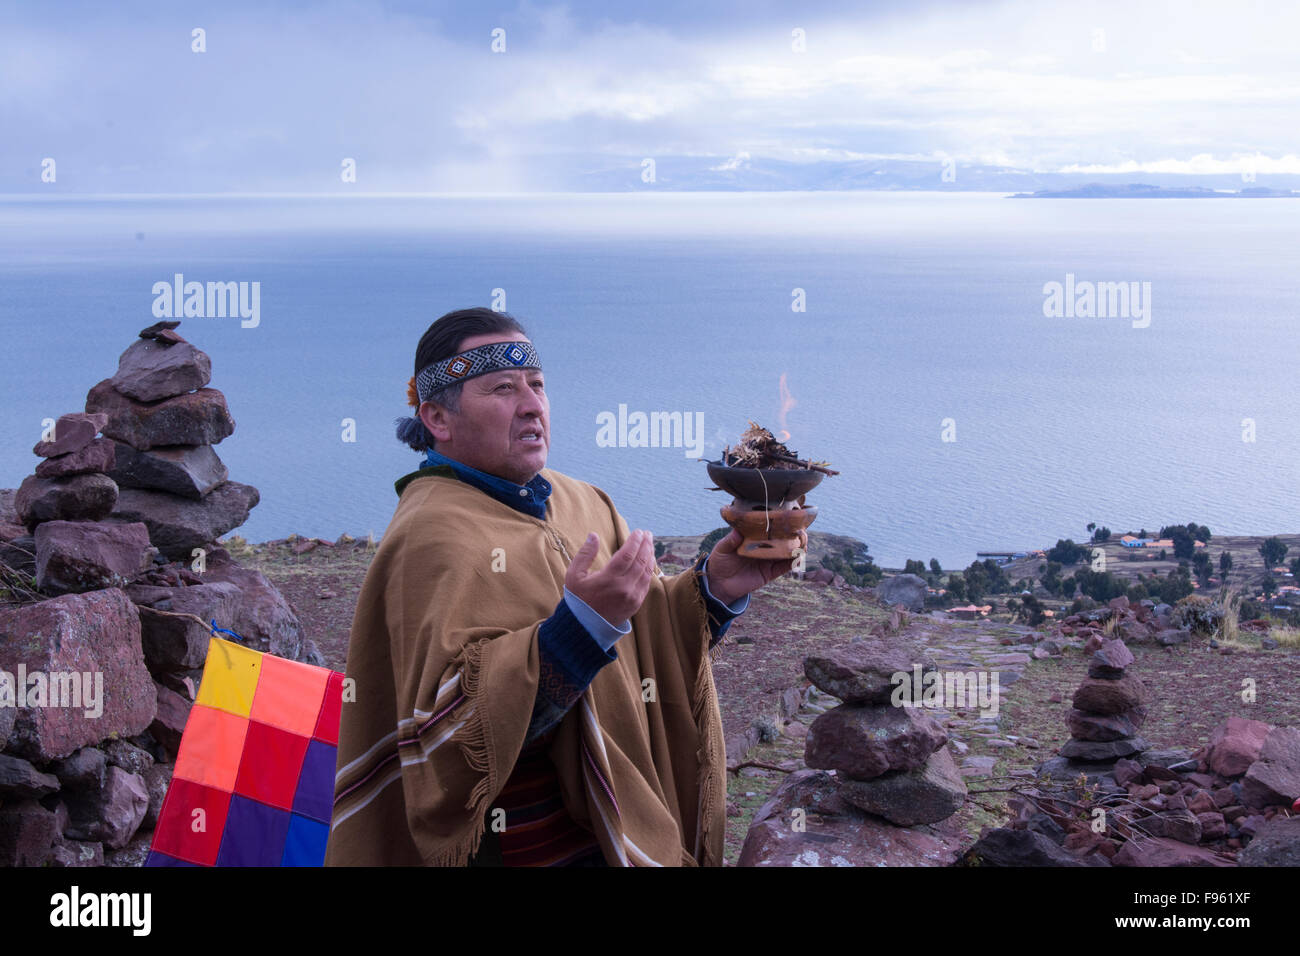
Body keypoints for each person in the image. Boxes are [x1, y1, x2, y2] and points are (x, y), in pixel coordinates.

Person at [324, 307, 794, 867]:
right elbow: (450, 744)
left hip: (613, 833)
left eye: (538, 385)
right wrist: (582, 626)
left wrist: (715, 587)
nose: (532, 405)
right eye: (502, 388)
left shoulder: (582, 501)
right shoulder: (430, 537)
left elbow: (640, 638)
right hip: (525, 849)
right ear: (437, 418)